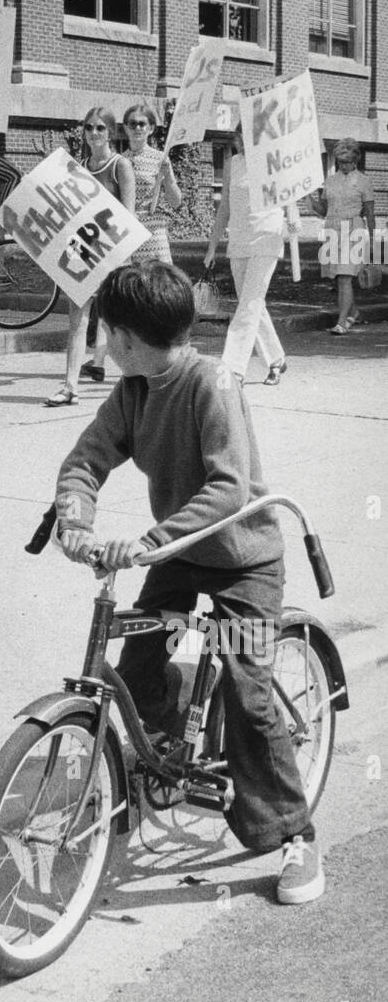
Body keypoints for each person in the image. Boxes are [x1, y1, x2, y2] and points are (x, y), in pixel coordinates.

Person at [55, 262, 324, 905]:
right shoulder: (134, 391)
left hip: (244, 556)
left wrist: (147, 542)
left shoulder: (212, 384)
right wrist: (73, 512)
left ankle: (296, 836)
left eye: (106, 331)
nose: (105, 342)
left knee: (247, 688)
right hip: (178, 552)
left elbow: (229, 487)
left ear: (123, 337)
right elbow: (88, 459)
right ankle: (171, 723)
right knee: (138, 663)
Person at [46, 108, 134, 404]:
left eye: (100, 128)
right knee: (77, 319)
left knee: (120, 322)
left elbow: (128, 216)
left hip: (113, 255)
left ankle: (138, 378)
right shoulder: (78, 167)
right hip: (84, 252)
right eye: (88, 128)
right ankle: (70, 386)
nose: (93, 133)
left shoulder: (119, 166)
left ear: (111, 132)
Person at [205, 127, 287, 385]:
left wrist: (293, 228)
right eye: (239, 137)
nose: (242, 141)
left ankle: (233, 368)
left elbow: (291, 200)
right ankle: (276, 359)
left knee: (249, 303)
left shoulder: (274, 160)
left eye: (249, 136)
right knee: (251, 302)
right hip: (239, 239)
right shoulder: (233, 163)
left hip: (267, 236)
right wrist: (212, 246)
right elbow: (225, 206)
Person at [309, 138, 376, 334]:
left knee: (345, 277)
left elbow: (370, 214)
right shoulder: (330, 180)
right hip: (331, 229)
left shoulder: (364, 181)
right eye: (340, 161)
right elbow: (323, 209)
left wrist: (373, 243)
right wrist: (309, 198)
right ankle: (353, 312)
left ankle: (341, 322)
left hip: (353, 229)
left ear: (356, 160)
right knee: (336, 278)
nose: (344, 165)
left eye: (348, 161)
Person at [123, 103, 183, 265]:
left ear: (150, 128)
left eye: (142, 124)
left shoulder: (160, 159)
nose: (137, 128)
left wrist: (169, 176)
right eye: (132, 123)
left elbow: (176, 202)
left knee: (159, 285)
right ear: (126, 128)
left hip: (153, 232)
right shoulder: (119, 161)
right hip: (127, 232)